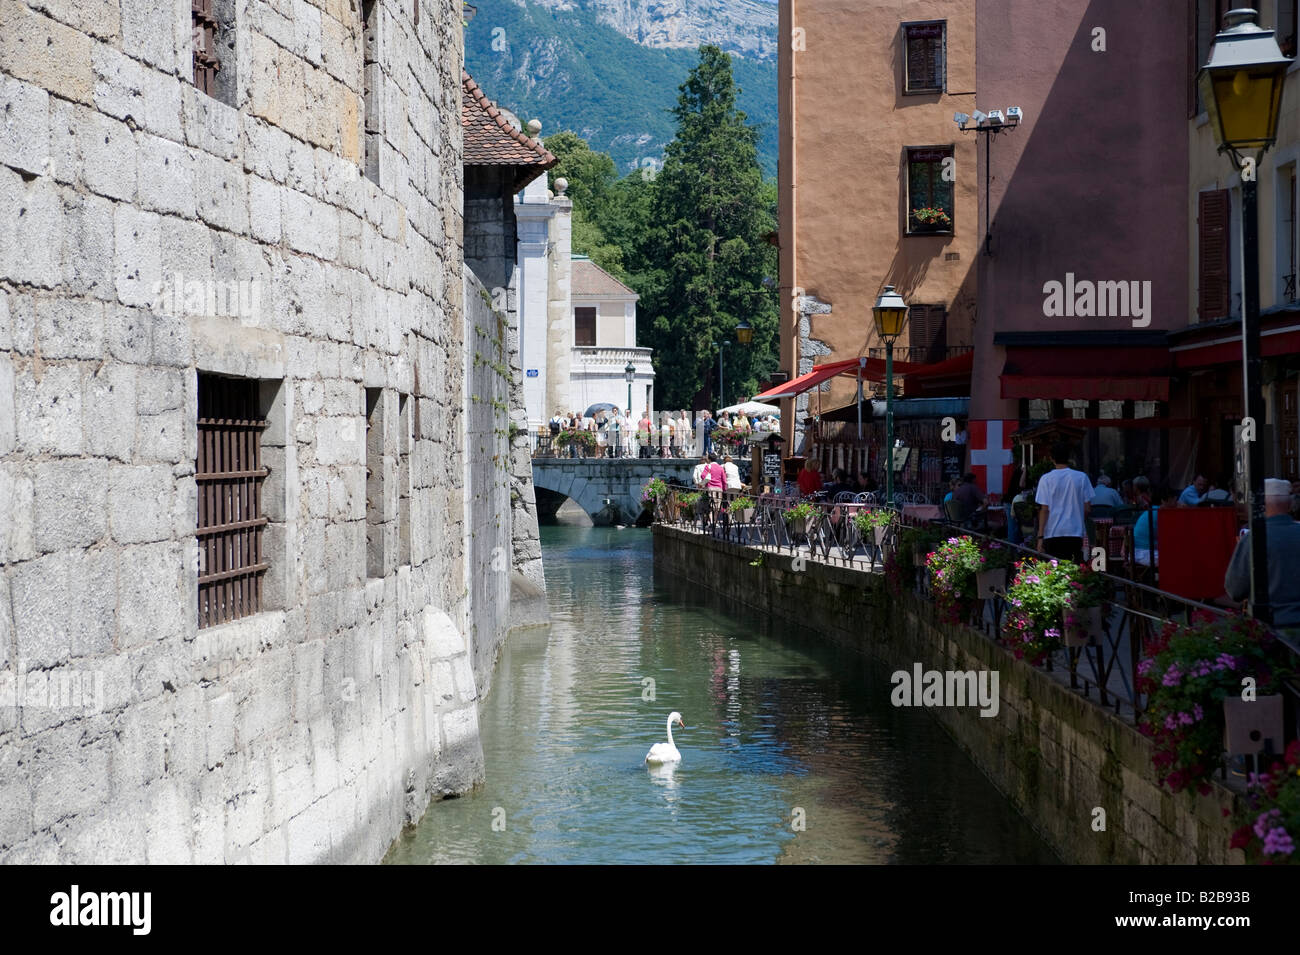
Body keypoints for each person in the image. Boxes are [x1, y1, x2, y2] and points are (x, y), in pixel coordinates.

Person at [1224, 478, 1300, 631]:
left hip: (1270, 626)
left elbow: (1235, 589)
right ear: (1290, 504)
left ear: (1261, 505)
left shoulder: (1252, 539)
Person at [1034, 441, 1094, 562]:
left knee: (1053, 573)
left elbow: (1044, 510)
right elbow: (1087, 508)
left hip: (1052, 533)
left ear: (1051, 458)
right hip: (1075, 532)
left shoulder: (1046, 479)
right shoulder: (1081, 477)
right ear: (1069, 457)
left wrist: (1040, 537)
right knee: (1074, 570)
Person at [1131, 485, 1178, 569]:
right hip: (1146, 554)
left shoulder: (1152, 510)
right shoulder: (1160, 514)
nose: (1176, 503)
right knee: (1180, 558)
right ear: (1164, 501)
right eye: (1175, 500)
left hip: (1137, 552)